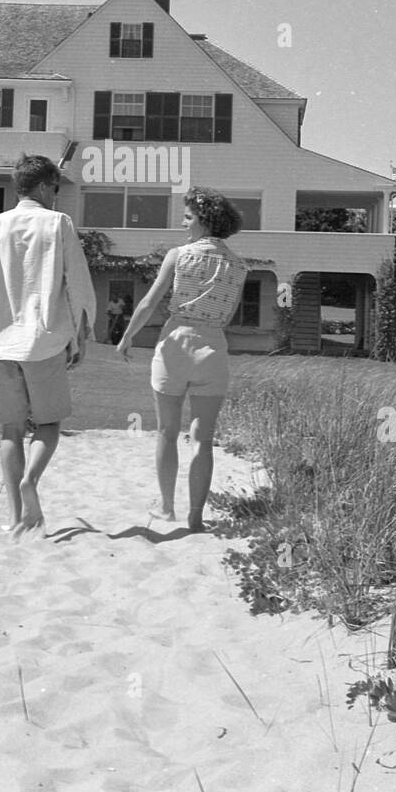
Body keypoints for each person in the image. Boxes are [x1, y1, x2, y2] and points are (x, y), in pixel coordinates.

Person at [0, 154, 96, 538]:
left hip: (1, 343)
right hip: (44, 341)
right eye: (55, 188)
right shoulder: (58, 223)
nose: (57, 195)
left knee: (9, 432)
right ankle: (31, 481)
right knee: (48, 424)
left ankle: (17, 515)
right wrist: (81, 336)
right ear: (43, 186)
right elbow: (78, 285)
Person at [117, 187, 247, 533]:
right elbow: (229, 315)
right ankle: (196, 515)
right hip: (213, 348)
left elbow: (148, 302)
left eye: (188, 216)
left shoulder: (179, 255)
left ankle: (167, 506)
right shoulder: (239, 265)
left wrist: (128, 336)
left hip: (175, 344)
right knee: (203, 438)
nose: (183, 221)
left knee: (166, 431)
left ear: (203, 220)